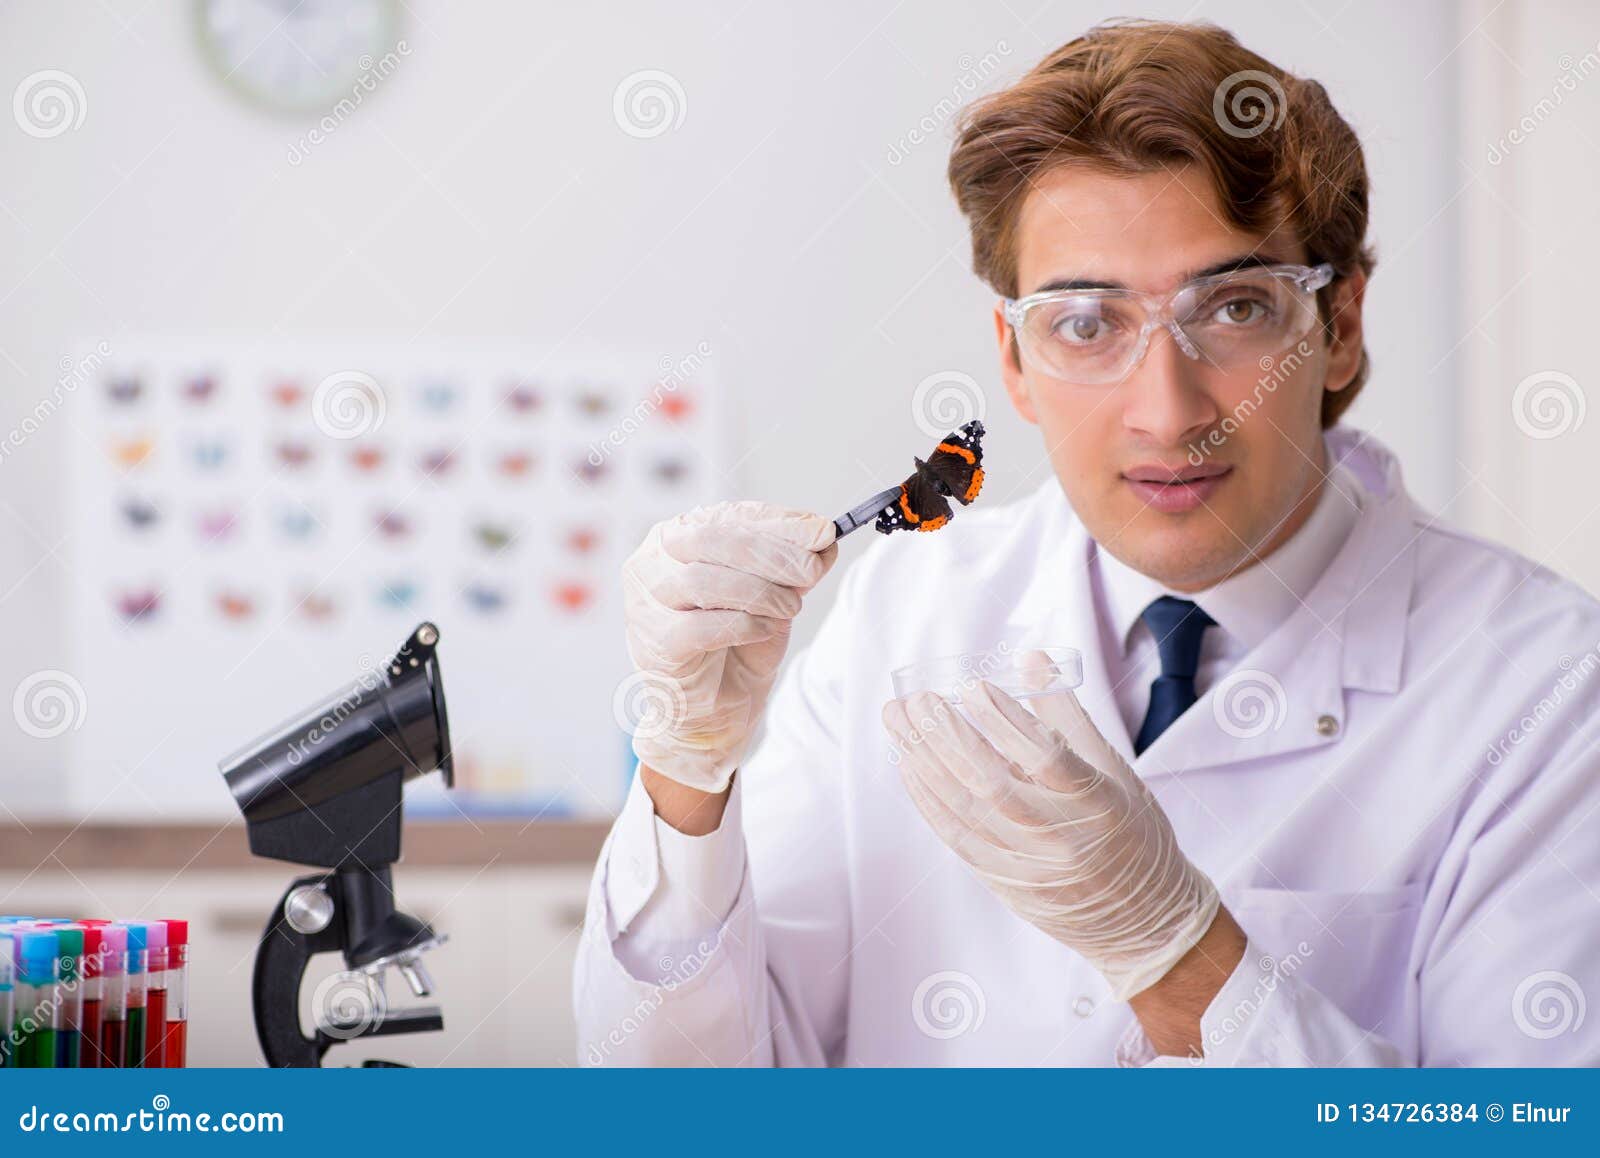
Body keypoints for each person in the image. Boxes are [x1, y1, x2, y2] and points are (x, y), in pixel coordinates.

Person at [573, 18, 1600, 1066]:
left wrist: (1180, 958)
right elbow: (694, 1099)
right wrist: (685, 780)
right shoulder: (905, 610)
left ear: (1337, 327)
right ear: (1012, 359)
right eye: (1085, 323)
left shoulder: (1547, 690)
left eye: (1236, 307)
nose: (1165, 411)